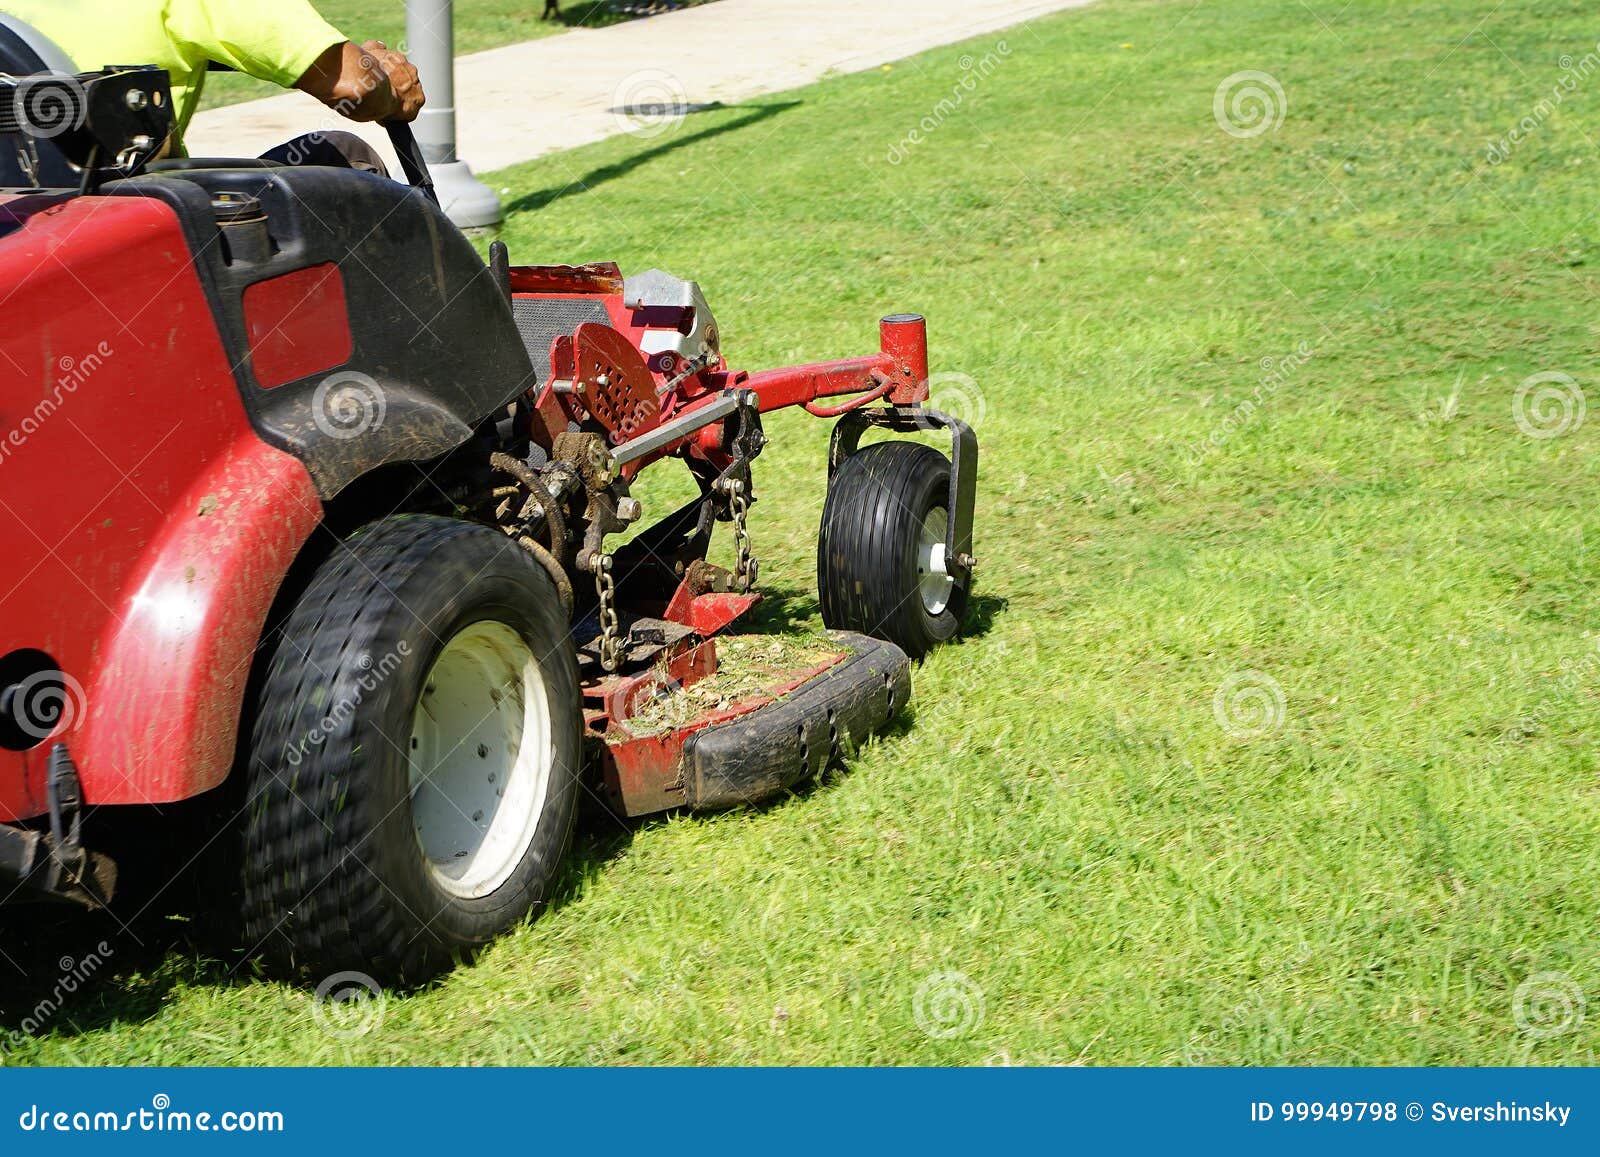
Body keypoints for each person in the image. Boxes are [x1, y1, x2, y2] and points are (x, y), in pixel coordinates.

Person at [0, 0, 423, 171]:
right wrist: (389, 77)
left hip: (26, 224)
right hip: (142, 230)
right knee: (342, 155)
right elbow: (356, 87)